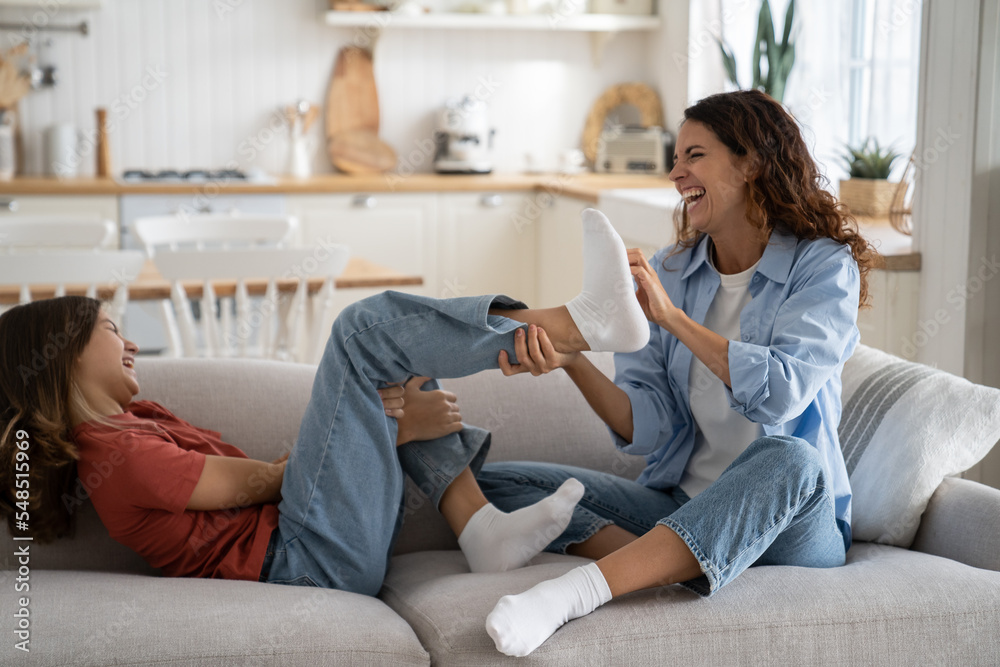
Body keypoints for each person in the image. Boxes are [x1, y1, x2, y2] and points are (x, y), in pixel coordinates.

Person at [0, 207, 651, 596]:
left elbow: (285, 475)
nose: (132, 342)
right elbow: (265, 482)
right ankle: (578, 323)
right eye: (112, 329)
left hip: (315, 547)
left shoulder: (134, 424)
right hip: (308, 562)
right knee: (361, 332)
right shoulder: (117, 458)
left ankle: (479, 525)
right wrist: (385, 430)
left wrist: (373, 421)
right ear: (62, 355)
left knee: (398, 363)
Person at [480, 89, 882, 656]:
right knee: (499, 483)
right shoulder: (673, 271)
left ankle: (578, 592)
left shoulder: (822, 266)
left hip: (791, 523)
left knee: (791, 457)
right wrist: (573, 361)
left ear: (751, 163)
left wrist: (672, 319)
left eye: (694, 155)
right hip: (685, 504)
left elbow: (781, 394)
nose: (675, 174)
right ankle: (677, 560)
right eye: (675, 159)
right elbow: (649, 429)